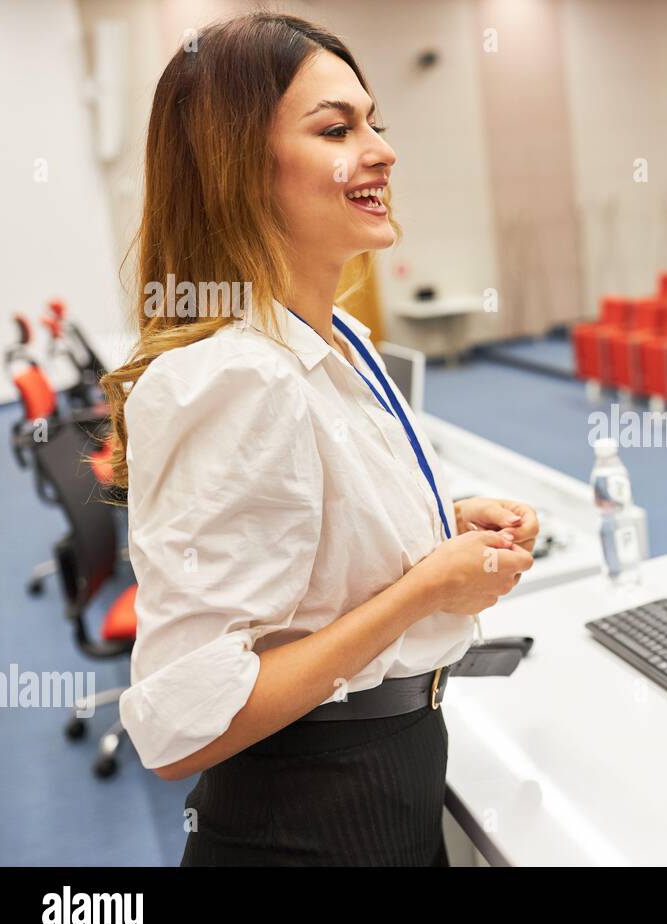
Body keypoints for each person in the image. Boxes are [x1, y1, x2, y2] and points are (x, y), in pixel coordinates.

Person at [100, 12, 538, 866]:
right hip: (309, 820)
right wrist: (424, 590)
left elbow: (307, 530)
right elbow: (184, 729)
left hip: (387, 780)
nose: (381, 150)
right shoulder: (232, 378)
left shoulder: (335, 336)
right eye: (338, 129)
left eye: (376, 122)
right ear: (237, 169)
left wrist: (443, 521)